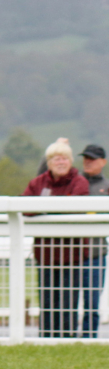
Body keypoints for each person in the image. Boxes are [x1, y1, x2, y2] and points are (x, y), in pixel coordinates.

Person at [22, 138, 89, 337]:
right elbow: (24, 207)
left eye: (65, 158)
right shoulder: (38, 182)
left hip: (73, 256)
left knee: (68, 301)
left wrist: (43, 208)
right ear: (49, 162)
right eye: (56, 159)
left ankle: (66, 338)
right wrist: (53, 208)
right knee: (47, 299)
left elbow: (77, 209)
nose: (61, 162)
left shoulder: (80, 182)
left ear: (70, 161)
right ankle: (46, 337)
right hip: (46, 255)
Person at [79, 144, 108, 338]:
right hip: (71, 251)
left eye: (92, 159)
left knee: (92, 299)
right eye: (85, 158)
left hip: (96, 252)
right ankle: (67, 336)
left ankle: (90, 336)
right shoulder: (74, 182)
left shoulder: (106, 186)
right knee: (67, 298)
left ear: (103, 162)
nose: (88, 162)